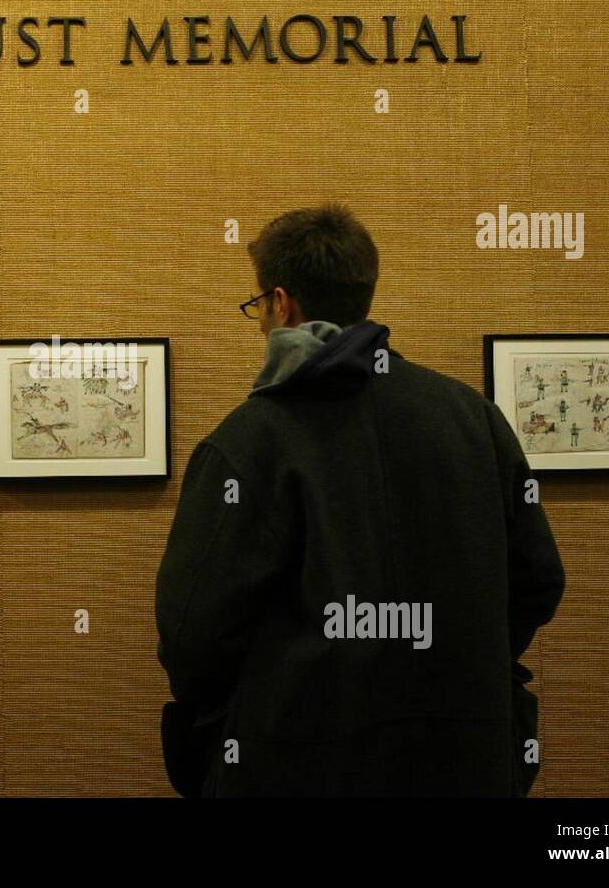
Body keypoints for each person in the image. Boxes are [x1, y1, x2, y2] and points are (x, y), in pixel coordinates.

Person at [155, 203, 566, 797]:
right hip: (463, 758)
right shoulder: (473, 418)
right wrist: (458, 660)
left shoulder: (248, 441)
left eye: (257, 309)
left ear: (281, 302)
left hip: (293, 761)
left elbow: (192, 628)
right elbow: (537, 581)